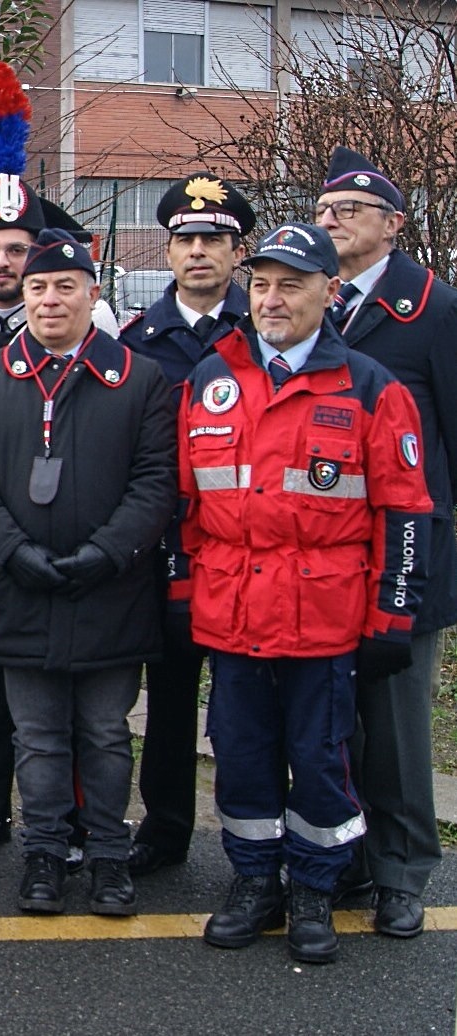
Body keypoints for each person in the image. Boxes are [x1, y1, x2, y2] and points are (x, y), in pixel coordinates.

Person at [177, 222, 430, 965]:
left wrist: (393, 615)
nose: (272, 299)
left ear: (329, 292)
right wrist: (185, 592)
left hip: (324, 620)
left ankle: (315, 889)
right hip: (232, 613)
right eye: (260, 284)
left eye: (291, 284)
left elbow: (405, 512)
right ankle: (256, 883)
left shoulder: (368, 387)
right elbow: (188, 507)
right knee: (242, 756)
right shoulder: (211, 380)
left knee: (320, 761)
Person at [0, 228, 176, 917]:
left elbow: (156, 481)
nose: (49, 300)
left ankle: (107, 856)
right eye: (39, 287)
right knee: (38, 737)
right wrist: (13, 552)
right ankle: (42, 854)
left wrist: (106, 554)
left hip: (113, 589)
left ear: (92, 294)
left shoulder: (139, 378)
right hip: (21, 588)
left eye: (65, 287)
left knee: (105, 734)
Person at [0, 152, 113, 865]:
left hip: (73, 541)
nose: (5, 263)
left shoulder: (97, 337)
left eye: (18, 249)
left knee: (68, 692)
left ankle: (66, 823)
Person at [314, 147, 457, 939]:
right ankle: (355, 860)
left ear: (394, 226)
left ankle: (404, 873)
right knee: (343, 722)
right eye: (327, 209)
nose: (332, 221)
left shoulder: (433, 308)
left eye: (352, 212)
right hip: (333, 553)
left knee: (399, 727)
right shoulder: (314, 302)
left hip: (408, 555)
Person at [113, 173, 255, 877]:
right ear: (168, 253)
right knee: (166, 707)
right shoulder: (138, 345)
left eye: (215, 240)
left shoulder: (261, 337)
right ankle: (165, 832)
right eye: (187, 240)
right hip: (163, 555)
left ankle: (252, 841)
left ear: (238, 253)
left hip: (243, 558)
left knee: (244, 712)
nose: (200, 251)